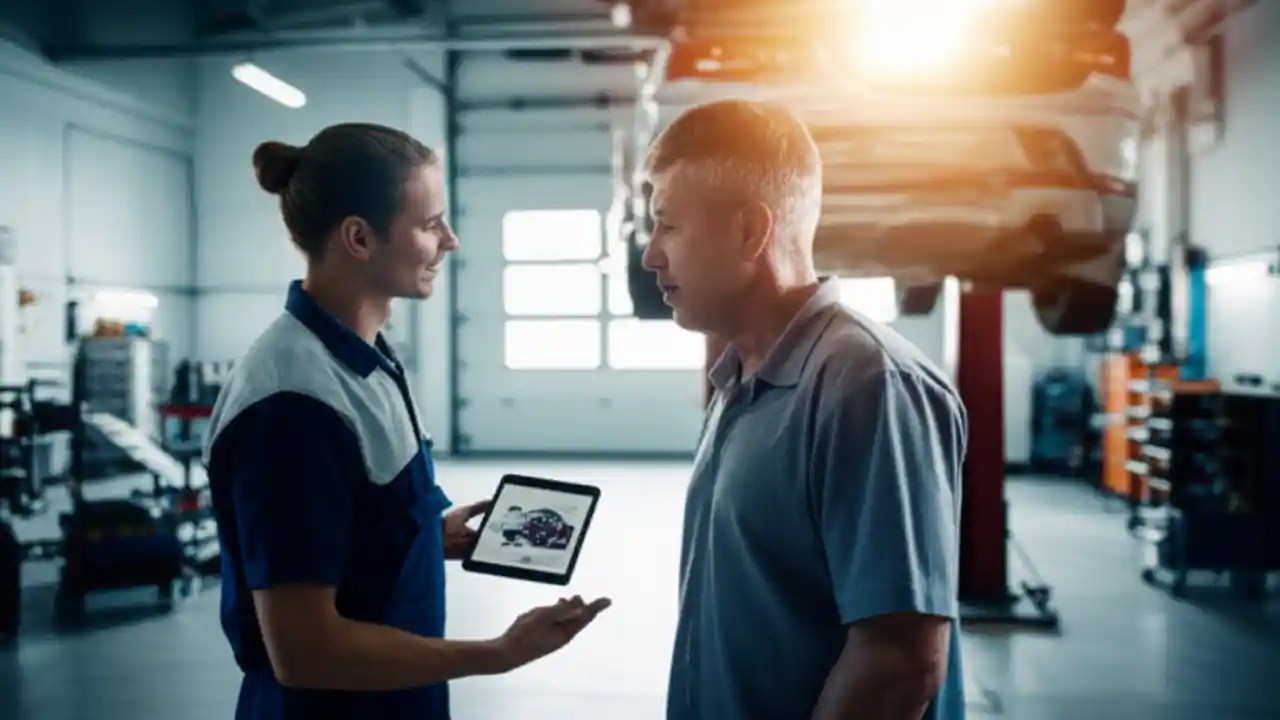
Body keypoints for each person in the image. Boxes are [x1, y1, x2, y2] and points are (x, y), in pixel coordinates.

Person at [202, 122, 610, 720]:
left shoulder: (365, 360)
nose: (451, 241)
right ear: (359, 238)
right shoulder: (293, 405)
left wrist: (422, 538)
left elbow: (339, 532)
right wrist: (497, 653)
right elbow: (305, 650)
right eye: (430, 224)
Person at [641, 100, 968, 720]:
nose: (651, 256)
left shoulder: (868, 385)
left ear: (750, 231)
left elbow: (899, 663)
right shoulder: (742, 380)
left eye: (668, 226)